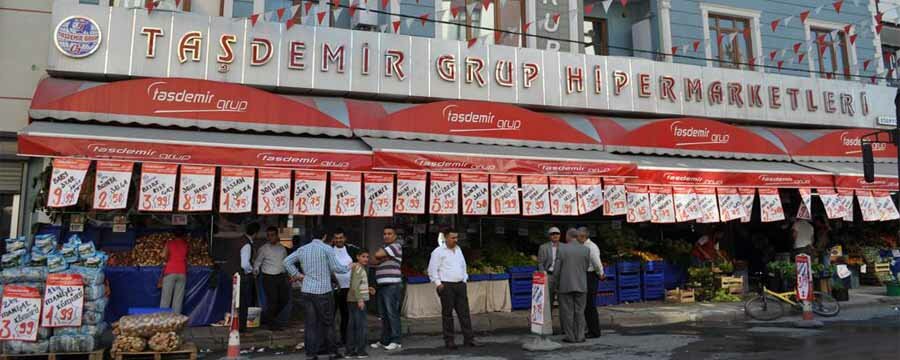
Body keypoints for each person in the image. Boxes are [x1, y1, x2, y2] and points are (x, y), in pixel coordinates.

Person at [284, 228, 350, 360]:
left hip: (307, 290)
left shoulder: (303, 249)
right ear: (325, 236)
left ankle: (311, 354)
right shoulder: (327, 249)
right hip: (323, 291)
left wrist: (298, 275)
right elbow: (337, 268)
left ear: (313, 235)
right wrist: (348, 267)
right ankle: (332, 352)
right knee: (328, 323)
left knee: (310, 324)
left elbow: (286, 262)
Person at [427, 229, 482, 350]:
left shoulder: (458, 250)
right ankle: (449, 340)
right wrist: (438, 284)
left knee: (464, 313)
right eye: (453, 238)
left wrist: (464, 279)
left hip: (460, 285)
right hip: (446, 285)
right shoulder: (438, 252)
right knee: (447, 315)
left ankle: (469, 339)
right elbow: (432, 269)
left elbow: (463, 265)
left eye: (456, 237)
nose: (455, 240)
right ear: (446, 238)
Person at [553, 228, 592, 344]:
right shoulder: (586, 250)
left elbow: (557, 270)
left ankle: (570, 336)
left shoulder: (562, 249)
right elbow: (585, 267)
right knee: (580, 312)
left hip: (566, 285)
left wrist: (556, 283)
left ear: (568, 237)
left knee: (567, 312)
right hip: (581, 285)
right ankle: (580, 336)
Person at [370, 225, 403, 351]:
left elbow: (377, 255)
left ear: (395, 236)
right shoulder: (385, 247)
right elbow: (373, 260)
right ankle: (385, 340)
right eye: (385, 234)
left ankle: (396, 340)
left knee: (392, 313)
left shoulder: (396, 246)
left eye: (389, 233)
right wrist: (384, 257)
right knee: (384, 315)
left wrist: (381, 257)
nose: (386, 236)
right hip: (382, 285)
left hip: (392, 285)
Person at [254, 226, 289, 331]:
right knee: (272, 300)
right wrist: (255, 271)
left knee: (284, 299)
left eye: (272, 235)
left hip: (281, 277)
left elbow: (286, 263)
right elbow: (257, 262)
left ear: (277, 236)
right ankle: (271, 323)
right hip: (268, 277)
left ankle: (269, 318)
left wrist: (289, 275)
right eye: (268, 235)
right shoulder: (263, 249)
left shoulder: (282, 248)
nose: (270, 238)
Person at [331, 229, 361, 346]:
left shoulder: (352, 249)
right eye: (336, 238)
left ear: (345, 238)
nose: (338, 240)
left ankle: (345, 340)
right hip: (333, 288)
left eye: (341, 237)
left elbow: (362, 258)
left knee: (346, 315)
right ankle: (331, 341)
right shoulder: (329, 250)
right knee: (331, 316)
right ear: (333, 239)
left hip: (348, 288)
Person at [576, 227, 605, 339]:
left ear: (583, 236)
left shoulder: (591, 247)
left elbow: (597, 263)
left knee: (590, 305)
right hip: (587, 276)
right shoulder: (584, 246)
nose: (576, 238)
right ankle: (591, 329)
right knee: (587, 305)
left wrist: (601, 273)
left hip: (591, 276)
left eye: (578, 236)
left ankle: (594, 331)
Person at [346, 250, 371, 358]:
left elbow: (358, 284)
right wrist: (360, 300)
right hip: (357, 301)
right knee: (361, 327)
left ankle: (350, 351)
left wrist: (368, 289)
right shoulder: (358, 268)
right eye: (363, 256)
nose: (366, 259)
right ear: (357, 257)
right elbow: (355, 286)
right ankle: (360, 351)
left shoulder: (358, 268)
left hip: (354, 300)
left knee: (352, 326)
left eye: (367, 257)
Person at [160, 227, 188, 314]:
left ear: (173, 234)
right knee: (178, 300)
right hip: (182, 272)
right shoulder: (185, 244)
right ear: (183, 235)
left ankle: (164, 321)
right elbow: (186, 256)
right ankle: (176, 321)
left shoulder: (169, 243)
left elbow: (163, 255)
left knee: (166, 299)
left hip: (170, 271)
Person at [239, 223, 260, 333]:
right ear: (256, 233)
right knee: (244, 303)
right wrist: (252, 271)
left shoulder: (240, 240)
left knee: (239, 302)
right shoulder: (247, 245)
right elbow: (244, 264)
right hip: (243, 277)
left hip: (237, 276)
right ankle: (242, 327)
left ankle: (239, 325)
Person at [537, 227, 562, 307]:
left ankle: (564, 318)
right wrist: (543, 275)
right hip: (549, 275)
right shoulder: (543, 247)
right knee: (548, 299)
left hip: (562, 275)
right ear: (549, 236)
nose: (555, 235)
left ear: (560, 235)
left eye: (557, 233)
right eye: (552, 234)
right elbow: (540, 263)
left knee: (563, 299)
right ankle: (548, 318)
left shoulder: (565, 246)